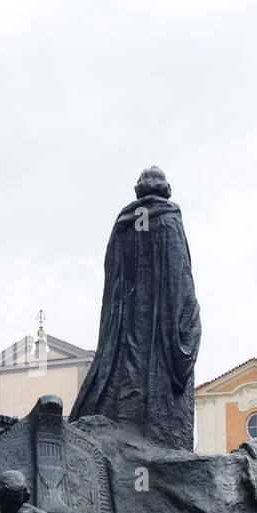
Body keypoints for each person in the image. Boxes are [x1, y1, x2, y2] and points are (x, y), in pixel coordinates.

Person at [70, 166, 201, 450]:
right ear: (166, 191)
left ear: (138, 190)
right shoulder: (168, 220)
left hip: (125, 330)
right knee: (158, 400)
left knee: (128, 380)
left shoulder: (123, 225)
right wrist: (188, 327)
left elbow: (112, 275)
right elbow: (181, 282)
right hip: (161, 335)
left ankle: (131, 439)